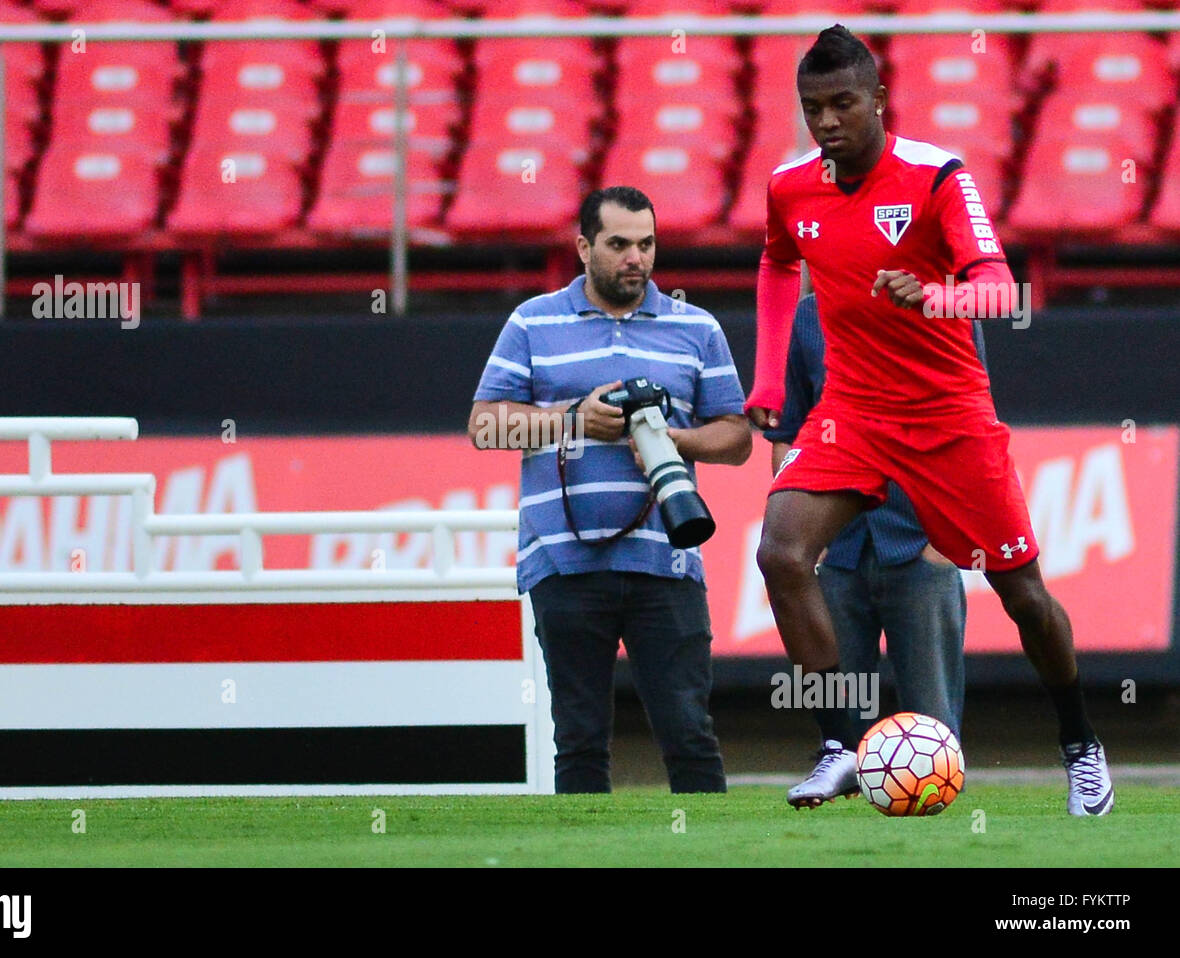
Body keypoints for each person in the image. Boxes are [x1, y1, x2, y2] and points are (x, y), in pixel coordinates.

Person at [745, 26, 1114, 815]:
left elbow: (998, 289)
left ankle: (1081, 743)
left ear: (879, 99)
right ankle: (840, 742)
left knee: (1024, 595)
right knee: (781, 551)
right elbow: (778, 264)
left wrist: (936, 294)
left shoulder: (938, 176)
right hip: (854, 412)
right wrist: (770, 378)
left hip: (948, 420)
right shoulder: (791, 185)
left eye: (843, 103)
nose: (828, 122)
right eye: (813, 108)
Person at [468, 186, 753, 793]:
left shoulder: (696, 327)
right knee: (578, 738)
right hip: (563, 560)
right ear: (583, 247)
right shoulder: (532, 320)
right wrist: (576, 420)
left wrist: (669, 438)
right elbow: (485, 425)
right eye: (619, 244)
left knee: (689, 733)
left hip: (666, 558)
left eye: (646, 244)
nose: (636, 259)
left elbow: (736, 439)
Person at [764, 285, 971, 807]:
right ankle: (836, 792)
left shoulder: (939, 305)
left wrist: (950, 538)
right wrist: (800, 531)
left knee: (933, 715)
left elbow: (969, 420)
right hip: (838, 546)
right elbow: (789, 433)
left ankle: (936, 816)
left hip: (918, 539)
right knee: (837, 708)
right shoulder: (805, 319)